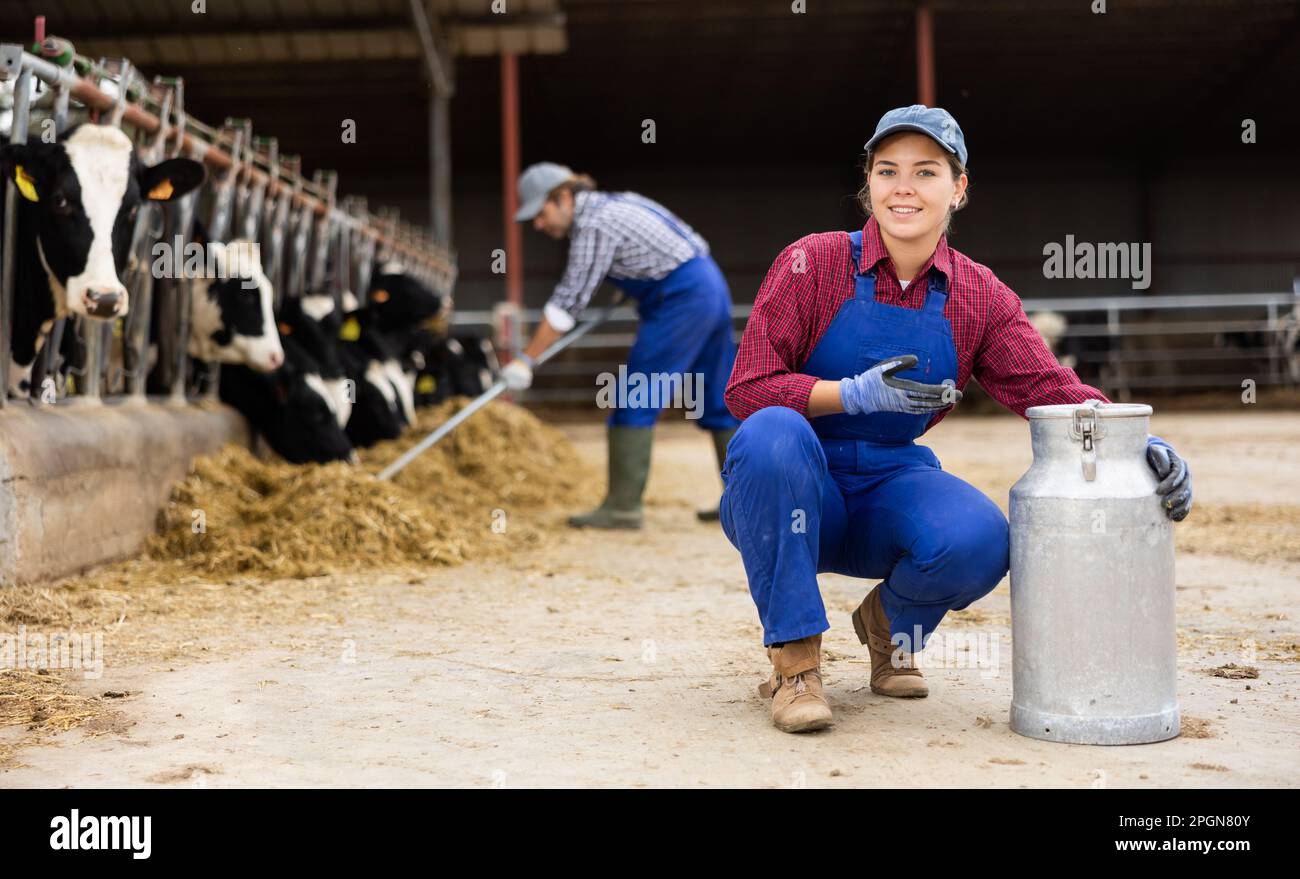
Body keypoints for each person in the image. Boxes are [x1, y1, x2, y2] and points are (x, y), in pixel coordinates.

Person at [720, 106, 1193, 733]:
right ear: (869, 185)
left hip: (890, 484)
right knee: (771, 433)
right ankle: (796, 660)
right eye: (887, 171)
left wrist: (1132, 441)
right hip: (791, 487)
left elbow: (1048, 388)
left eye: (926, 171)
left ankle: (889, 627)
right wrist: (847, 396)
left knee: (982, 537)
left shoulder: (979, 294)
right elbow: (748, 388)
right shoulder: (813, 263)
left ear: (958, 187)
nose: (904, 188)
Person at [503, 163, 741, 528]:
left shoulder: (594, 224)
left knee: (637, 394)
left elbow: (568, 301)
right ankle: (743, 503)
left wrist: (525, 359)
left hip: (681, 300)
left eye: (540, 213)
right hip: (709, 285)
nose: (538, 224)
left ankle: (622, 507)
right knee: (718, 397)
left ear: (564, 197)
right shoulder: (617, 203)